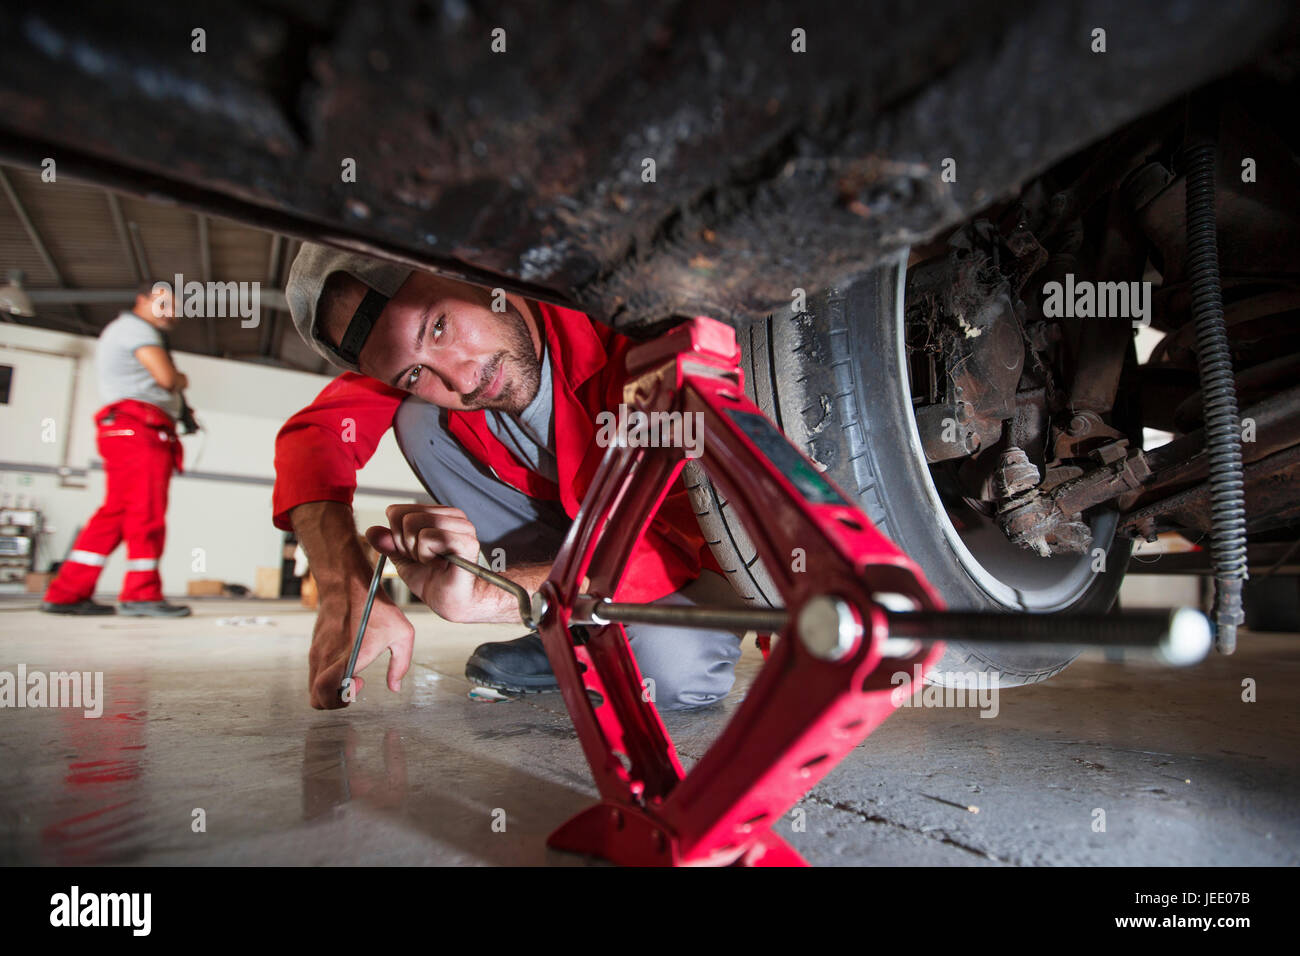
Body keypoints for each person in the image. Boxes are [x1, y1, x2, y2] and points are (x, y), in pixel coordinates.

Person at [277, 243, 746, 710]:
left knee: (671, 675)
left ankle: (571, 617)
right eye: (415, 371)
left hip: (716, 547)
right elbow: (316, 436)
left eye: (440, 326)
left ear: (477, 266)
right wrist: (346, 588)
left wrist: (495, 596)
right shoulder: (433, 361)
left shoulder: (628, 319)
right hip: (598, 549)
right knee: (420, 420)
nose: (461, 380)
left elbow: (675, 543)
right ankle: (569, 627)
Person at [42, 283, 192, 617]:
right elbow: (167, 378)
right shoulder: (135, 329)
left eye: (175, 307)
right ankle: (141, 594)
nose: (172, 312)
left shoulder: (126, 330)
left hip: (126, 428)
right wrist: (182, 379)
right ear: (141, 300)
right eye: (164, 304)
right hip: (138, 428)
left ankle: (66, 592)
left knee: (117, 513)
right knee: (146, 512)